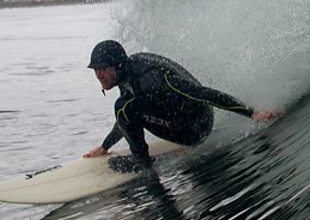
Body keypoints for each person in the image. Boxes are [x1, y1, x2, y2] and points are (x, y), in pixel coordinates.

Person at [82, 40, 283, 172]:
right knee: (126, 106)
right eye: (96, 70)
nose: (99, 75)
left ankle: (144, 164)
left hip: (195, 127)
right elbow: (128, 117)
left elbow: (201, 93)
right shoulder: (129, 72)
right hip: (182, 120)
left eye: (102, 69)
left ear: (116, 65)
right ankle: (155, 155)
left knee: (123, 106)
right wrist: (105, 146)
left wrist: (252, 113)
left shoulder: (151, 78)